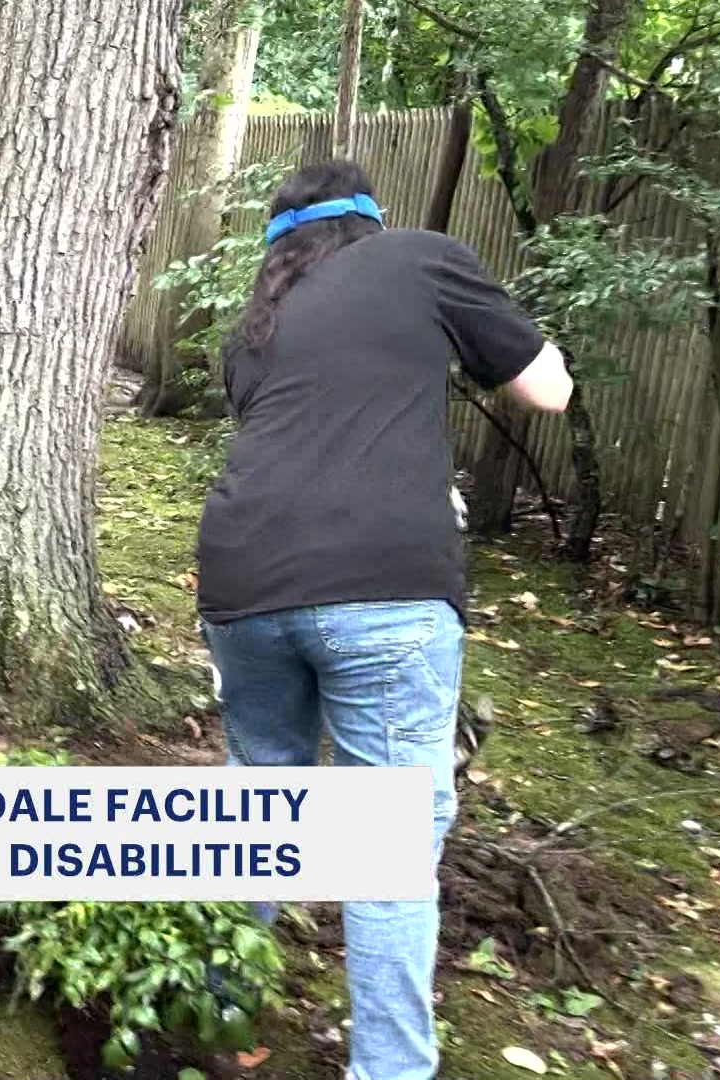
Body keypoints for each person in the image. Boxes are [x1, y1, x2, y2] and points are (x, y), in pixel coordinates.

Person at [193, 160, 572, 1080]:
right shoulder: (422, 259)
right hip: (386, 589)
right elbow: (548, 389)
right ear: (371, 221)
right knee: (387, 842)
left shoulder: (256, 328)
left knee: (261, 802)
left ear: (280, 243)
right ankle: (391, 1069)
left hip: (241, 583)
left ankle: (217, 1021)